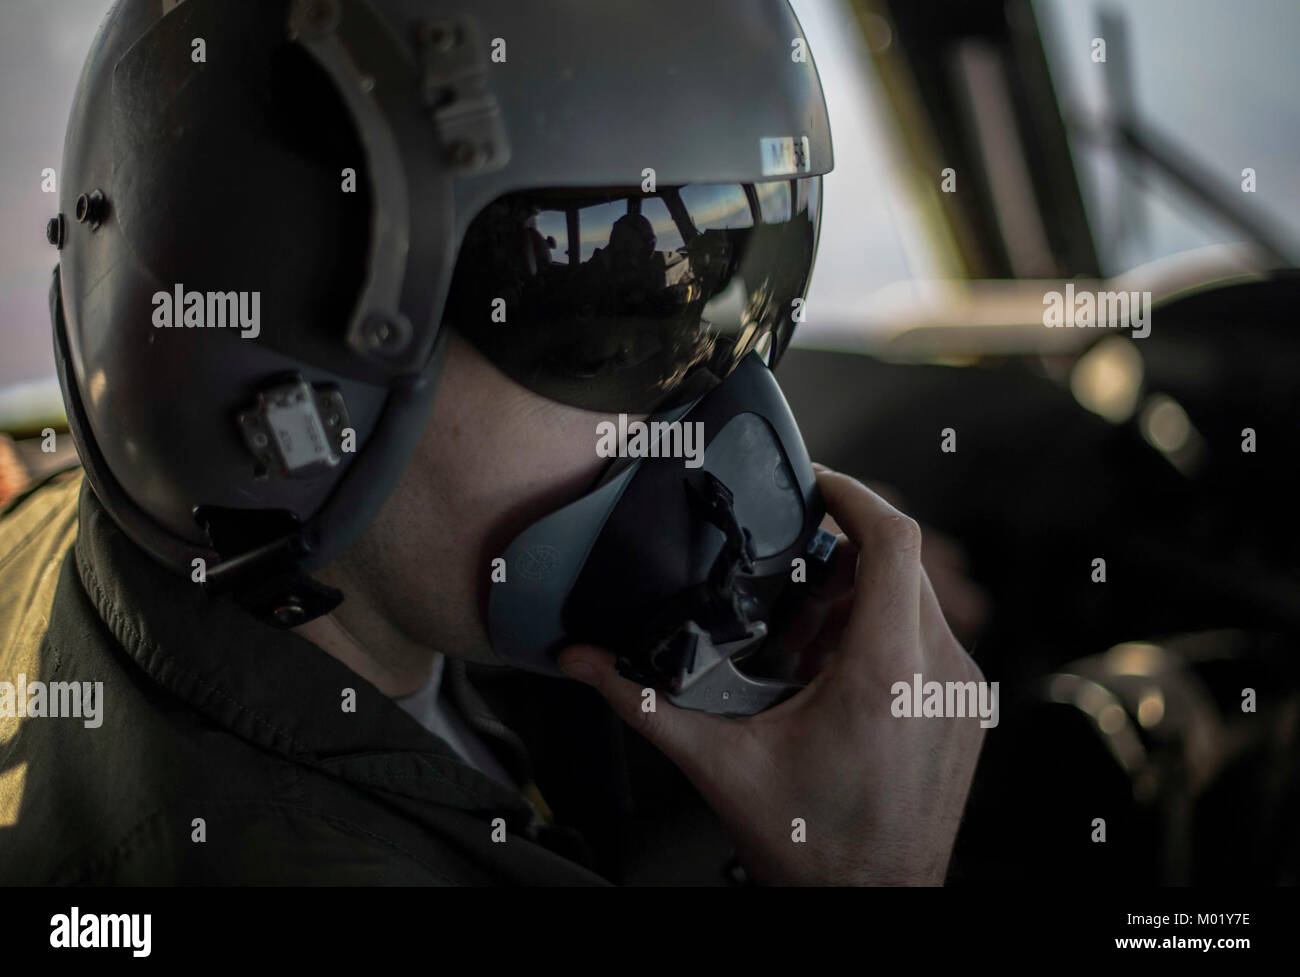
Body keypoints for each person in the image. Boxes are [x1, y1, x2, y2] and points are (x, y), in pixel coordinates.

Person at [0, 0, 985, 884]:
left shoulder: (105, 545)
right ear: (299, 404)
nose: (730, 411)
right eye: (613, 324)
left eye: (749, 302)